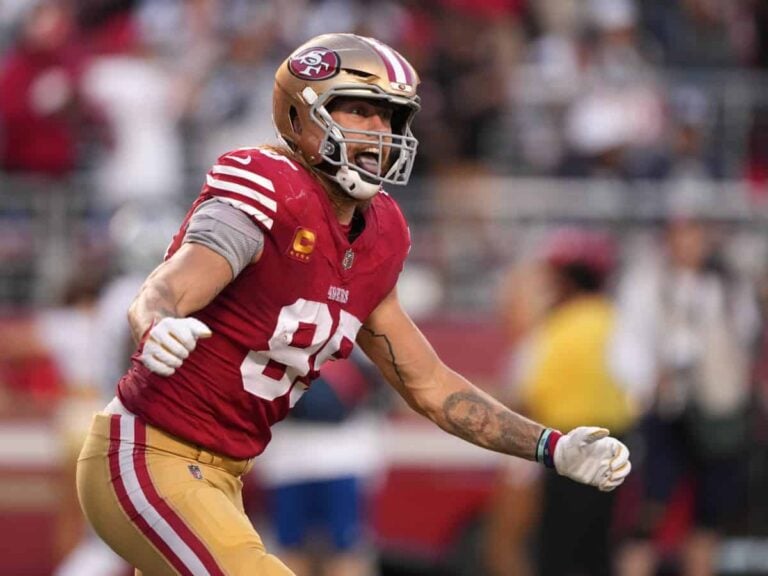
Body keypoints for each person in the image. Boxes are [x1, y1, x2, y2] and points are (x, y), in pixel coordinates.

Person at [76, 33, 632, 576]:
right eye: (361, 111)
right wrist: (158, 324)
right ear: (301, 116)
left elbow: (431, 386)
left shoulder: (379, 235)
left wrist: (549, 446)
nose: (379, 130)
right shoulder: (269, 189)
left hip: (222, 476)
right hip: (149, 457)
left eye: (389, 116)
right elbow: (168, 285)